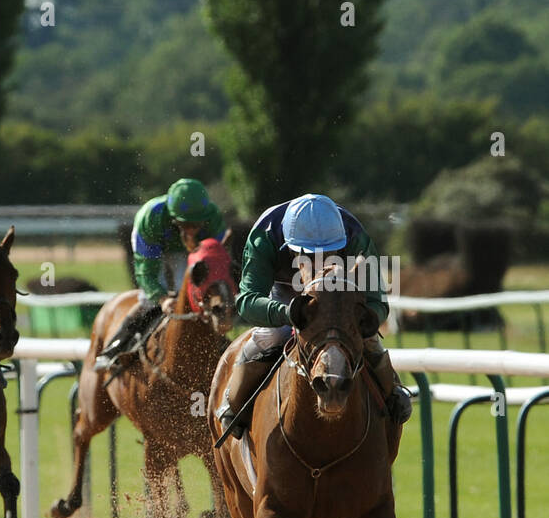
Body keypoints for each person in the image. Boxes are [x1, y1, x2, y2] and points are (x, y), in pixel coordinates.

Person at [215, 193, 412, 439]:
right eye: (308, 255)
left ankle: (392, 394)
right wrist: (289, 312)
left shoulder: (354, 236)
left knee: (370, 340)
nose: (319, 262)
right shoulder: (265, 234)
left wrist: (359, 318)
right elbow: (247, 301)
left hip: (340, 298)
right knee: (270, 336)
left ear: (341, 242)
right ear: (289, 245)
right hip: (286, 294)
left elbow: (377, 301)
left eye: (329, 253)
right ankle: (233, 404)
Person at [94, 178, 227, 373]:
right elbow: (146, 272)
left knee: (193, 295)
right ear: (173, 218)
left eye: (197, 225)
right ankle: (115, 348)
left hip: (187, 251)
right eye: (185, 225)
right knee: (149, 300)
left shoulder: (213, 218)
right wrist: (162, 298)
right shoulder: (152, 217)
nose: (192, 230)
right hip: (154, 244)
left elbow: (215, 266)